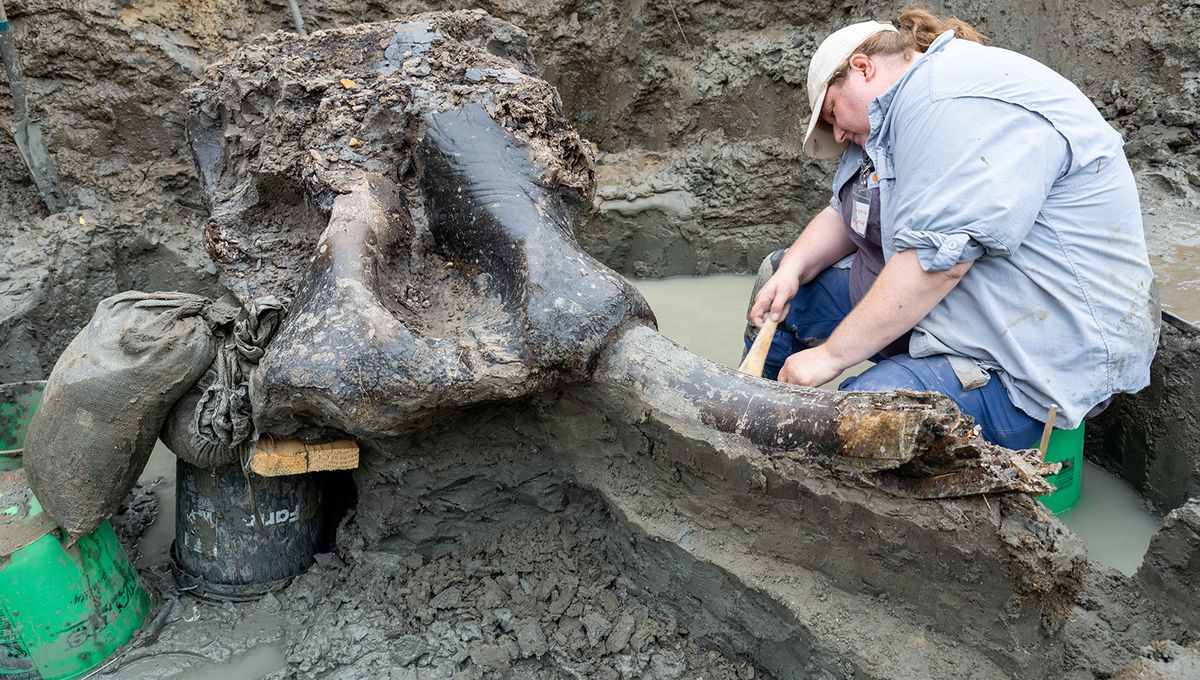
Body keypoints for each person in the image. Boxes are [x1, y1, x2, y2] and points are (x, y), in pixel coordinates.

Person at [745, 10, 1159, 449]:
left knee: (863, 418)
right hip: (955, 315)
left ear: (863, 68)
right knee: (788, 300)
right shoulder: (885, 123)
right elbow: (847, 213)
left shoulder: (950, 99)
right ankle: (756, 435)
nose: (839, 134)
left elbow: (937, 264)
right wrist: (791, 268)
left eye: (832, 114)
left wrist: (828, 359)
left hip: (1027, 363)